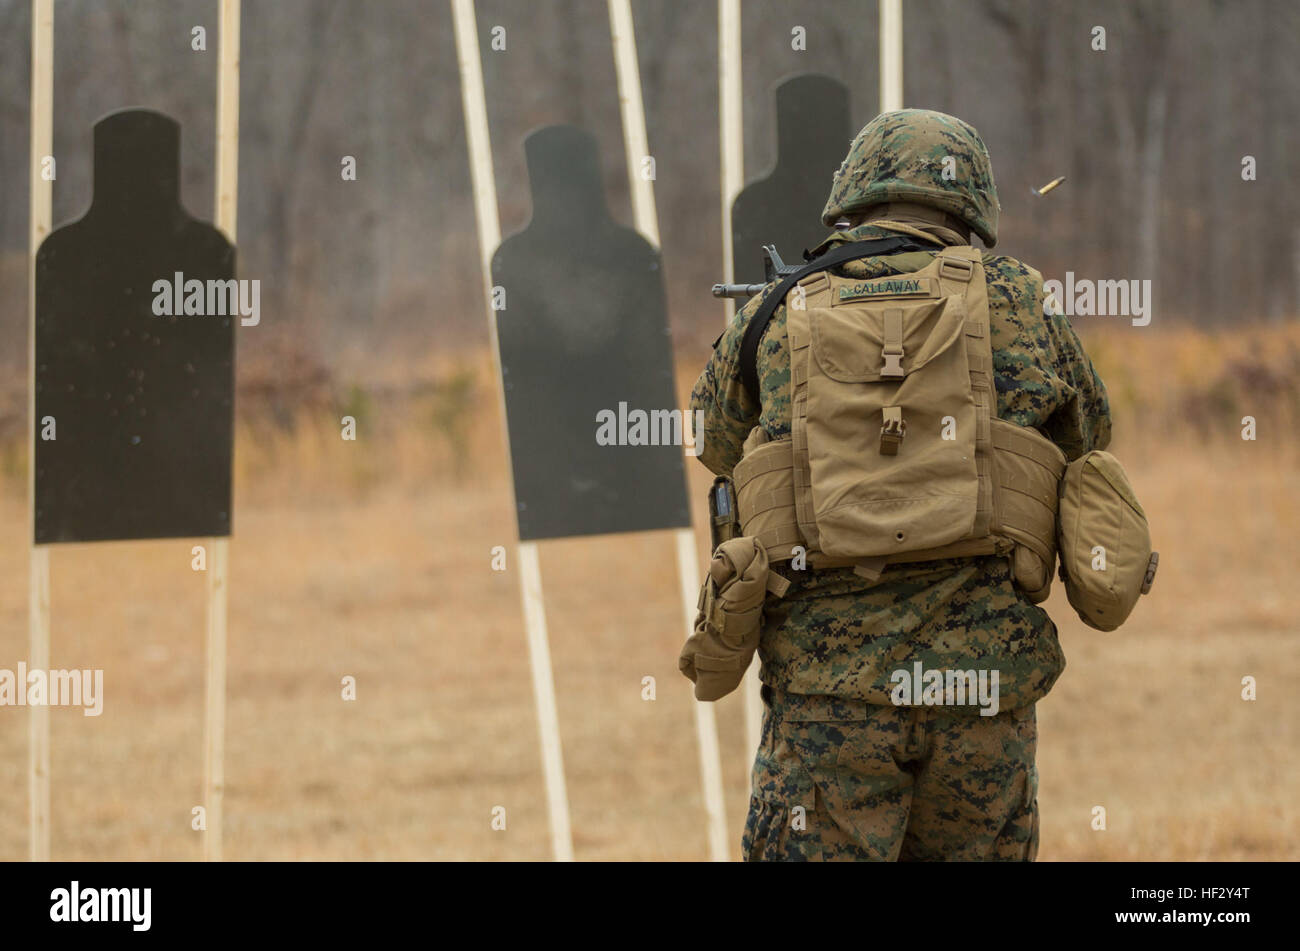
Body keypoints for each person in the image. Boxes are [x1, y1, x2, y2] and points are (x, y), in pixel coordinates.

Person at [687, 109, 1111, 861]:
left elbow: (712, 440)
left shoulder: (777, 311)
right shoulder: (1020, 301)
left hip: (829, 694)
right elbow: (1090, 432)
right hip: (983, 688)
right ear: (971, 203)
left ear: (855, 194)